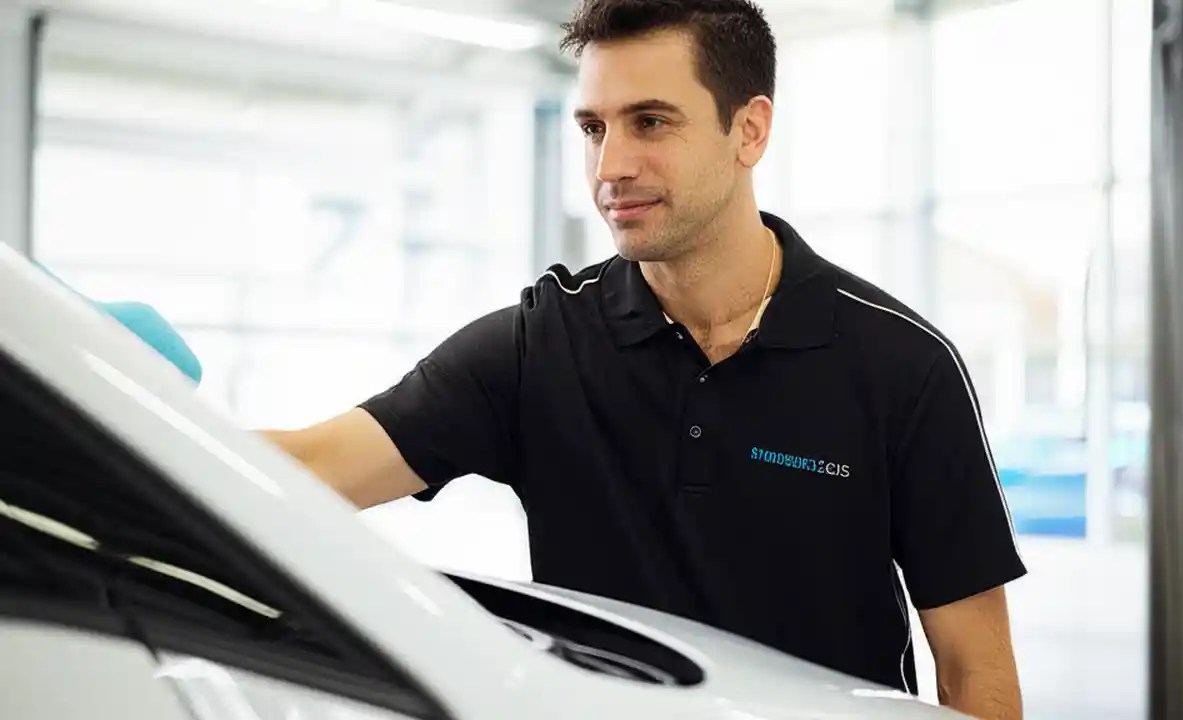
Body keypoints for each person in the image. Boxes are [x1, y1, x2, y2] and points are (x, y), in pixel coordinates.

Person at [267, 1, 1026, 717]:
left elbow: (974, 672)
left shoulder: (903, 365)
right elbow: (315, 465)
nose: (610, 166)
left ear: (750, 130)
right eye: (593, 128)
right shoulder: (538, 347)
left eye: (651, 122)